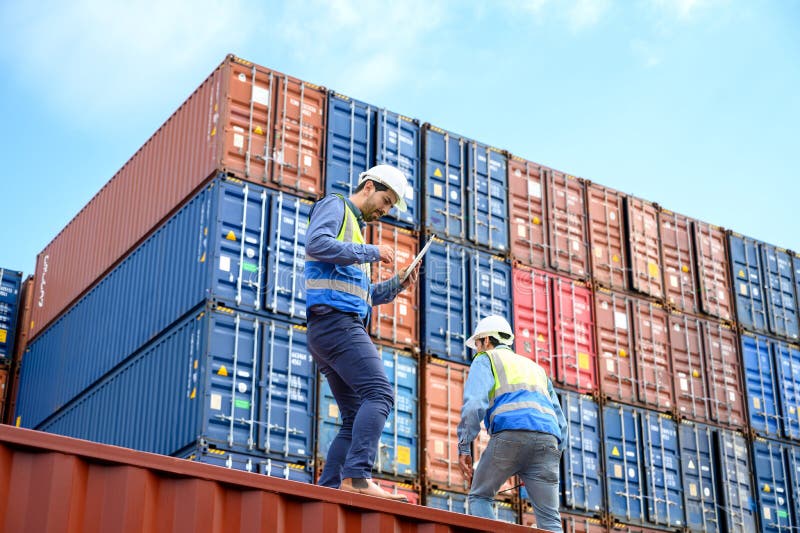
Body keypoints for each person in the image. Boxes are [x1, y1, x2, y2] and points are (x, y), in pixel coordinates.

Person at [305, 164, 417, 501]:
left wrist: (397, 284)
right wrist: (371, 252)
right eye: (386, 200)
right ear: (368, 186)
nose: (386, 210)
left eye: (391, 206)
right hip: (336, 324)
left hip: (331, 326)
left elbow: (362, 295)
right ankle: (357, 478)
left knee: (354, 416)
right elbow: (316, 243)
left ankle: (329, 491)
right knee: (380, 395)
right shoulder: (336, 206)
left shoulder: (355, 228)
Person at [457, 315, 568, 532]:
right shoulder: (537, 369)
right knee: (550, 520)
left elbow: (473, 406)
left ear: (486, 340)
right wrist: (550, 459)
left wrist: (464, 446)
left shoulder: (486, 358)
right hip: (549, 442)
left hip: (510, 435)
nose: (477, 350)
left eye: (478, 344)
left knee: (480, 495)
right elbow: (561, 423)